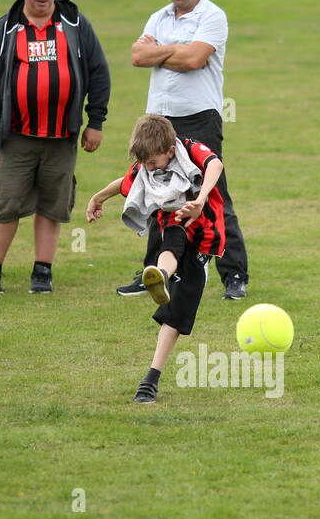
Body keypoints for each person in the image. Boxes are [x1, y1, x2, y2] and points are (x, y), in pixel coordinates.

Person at [118, 0, 249, 302]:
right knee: (152, 193)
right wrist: (177, 50)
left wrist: (160, 52)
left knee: (213, 193)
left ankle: (234, 274)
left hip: (198, 117)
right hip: (158, 121)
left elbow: (195, 60)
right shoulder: (158, 17)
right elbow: (136, 56)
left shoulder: (212, 16)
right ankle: (154, 273)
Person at [0, 0, 110, 295]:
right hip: (16, 137)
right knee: (6, 204)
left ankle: (42, 272)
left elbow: (99, 72)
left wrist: (95, 122)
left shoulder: (75, 25)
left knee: (53, 205)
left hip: (61, 137)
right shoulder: (6, 29)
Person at [86, 114, 225, 404]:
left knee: (178, 309)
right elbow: (126, 181)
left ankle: (151, 377)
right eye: (146, 165)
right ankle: (160, 277)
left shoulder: (187, 147)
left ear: (170, 151)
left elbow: (215, 164)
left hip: (204, 234)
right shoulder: (148, 164)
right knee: (170, 242)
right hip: (174, 223)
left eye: (153, 163)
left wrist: (200, 201)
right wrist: (98, 198)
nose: (149, 169)